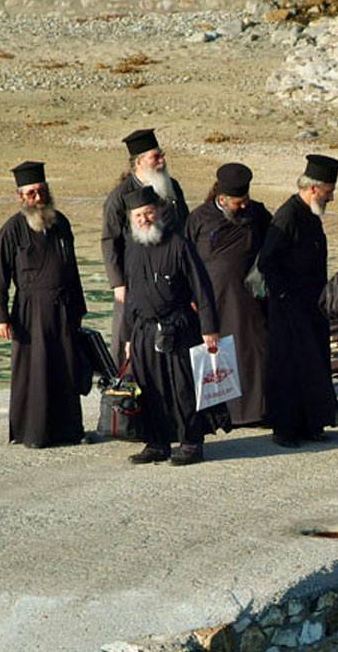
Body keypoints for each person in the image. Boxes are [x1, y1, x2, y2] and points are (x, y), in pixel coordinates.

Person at [123, 186, 228, 466]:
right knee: (149, 389)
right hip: (144, 331)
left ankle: (191, 442)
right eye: (138, 215)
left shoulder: (179, 244)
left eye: (148, 212)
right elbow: (130, 295)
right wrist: (127, 337)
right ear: (131, 218)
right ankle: (157, 443)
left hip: (178, 327)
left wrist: (209, 329)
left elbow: (202, 289)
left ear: (157, 212)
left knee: (182, 388)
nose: (144, 218)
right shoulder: (131, 247)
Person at [0, 160, 87, 447]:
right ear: (20, 197)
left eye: (41, 191)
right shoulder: (12, 229)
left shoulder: (61, 223)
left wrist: (78, 309)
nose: (38, 198)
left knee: (65, 367)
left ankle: (68, 431)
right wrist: (0, 317)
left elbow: (72, 269)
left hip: (63, 307)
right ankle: (32, 433)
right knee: (33, 371)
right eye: (31, 193)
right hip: (29, 310)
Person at [257, 154, 338, 448]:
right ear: (313, 188)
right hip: (289, 307)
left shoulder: (308, 214)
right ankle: (285, 428)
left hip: (310, 305)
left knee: (312, 363)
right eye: (329, 191)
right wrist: (283, 296)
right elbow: (268, 260)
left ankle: (310, 423)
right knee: (288, 367)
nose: (331, 197)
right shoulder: (288, 216)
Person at [184, 163, 272, 426]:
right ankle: (223, 414)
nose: (244, 206)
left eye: (245, 200)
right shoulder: (199, 218)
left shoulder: (258, 213)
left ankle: (257, 412)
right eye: (238, 202)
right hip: (212, 301)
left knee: (254, 354)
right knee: (218, 355)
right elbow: (185, 260)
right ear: (221, 199)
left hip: (249, 302)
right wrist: (190, 295)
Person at [101, 128, 190, 367]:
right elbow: (110, 241)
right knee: (127, 339)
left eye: (162, 155)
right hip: (135, 278)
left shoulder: (172, 187)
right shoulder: (119, 197)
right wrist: (118, 283)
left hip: (172, 276)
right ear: (139, 162)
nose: (162, 160)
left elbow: (185, 226)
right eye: (155, 157)